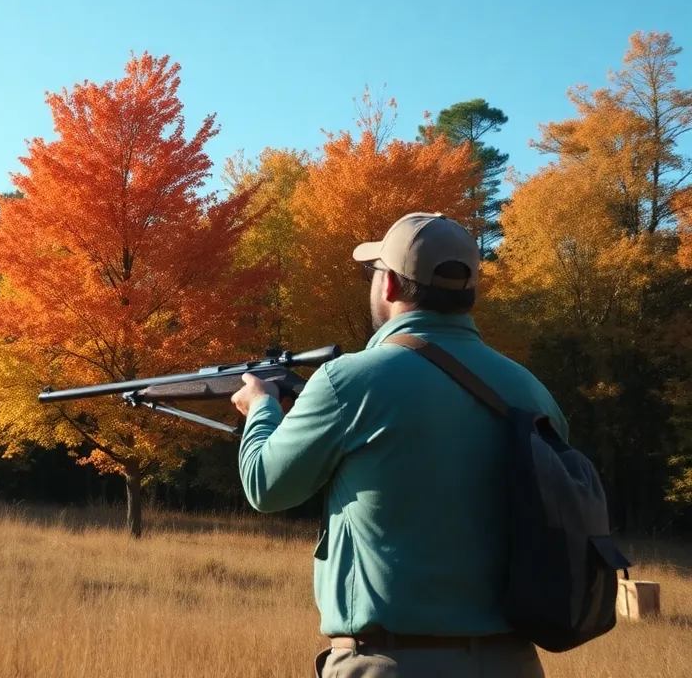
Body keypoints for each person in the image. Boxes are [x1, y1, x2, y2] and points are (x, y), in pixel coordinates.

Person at [231, 212, 567, 678]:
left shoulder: (349, 380)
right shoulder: (532, 391)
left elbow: (266, 487)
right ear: (469, 293)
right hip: (515, 664)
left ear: (388, 285)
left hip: (391, 664)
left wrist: (261, 407)